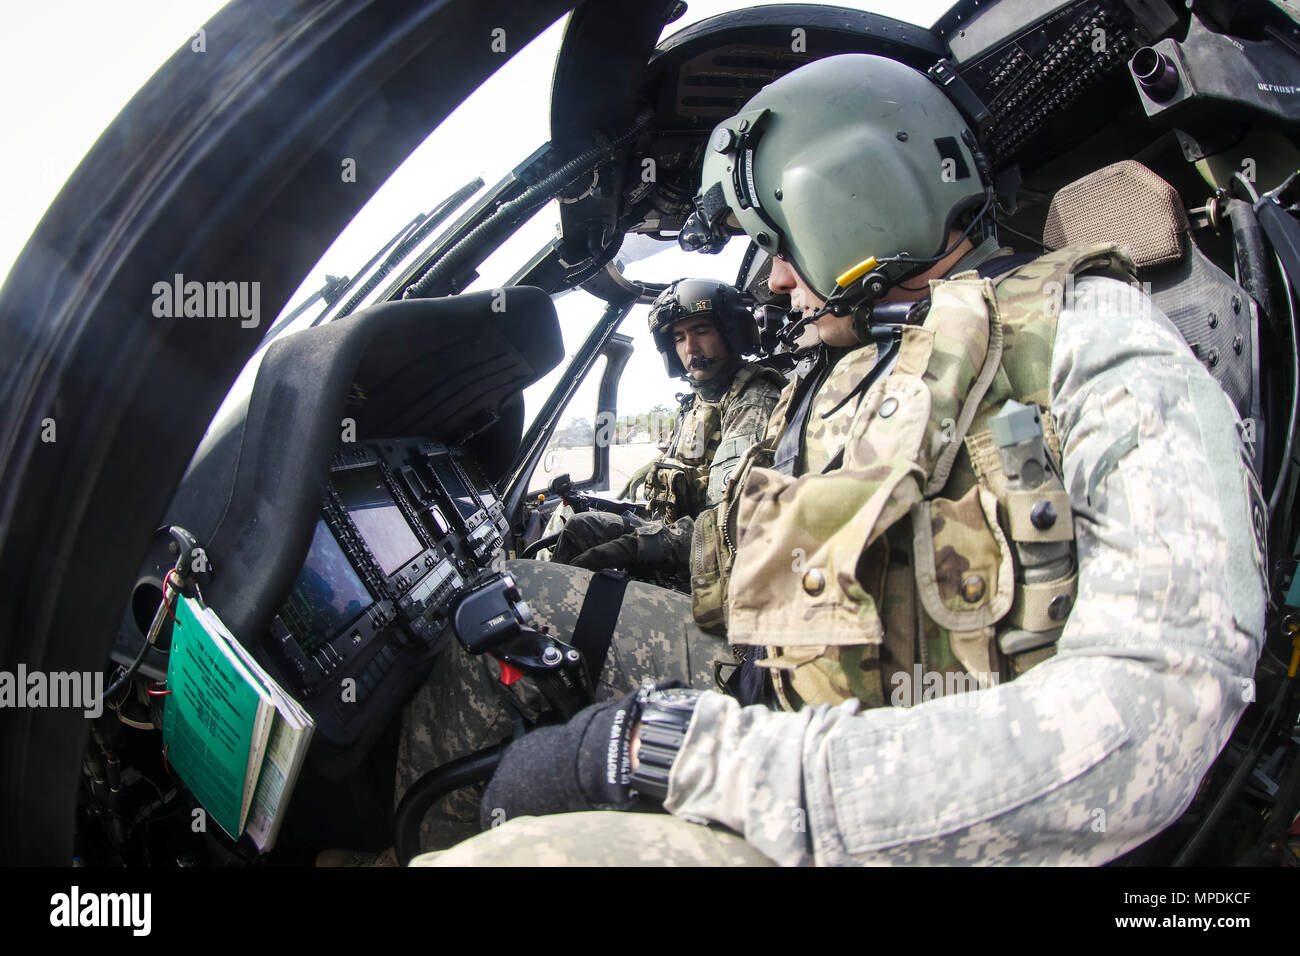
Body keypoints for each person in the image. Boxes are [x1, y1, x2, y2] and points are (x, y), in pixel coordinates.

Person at [417, 52, 1268, 866]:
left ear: (852, 201)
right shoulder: (873, 358)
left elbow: (1161, 711)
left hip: (914, 793)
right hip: (774, 682)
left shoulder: (1096, 338)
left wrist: (699, 758)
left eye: (783, 246)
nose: (779, 281)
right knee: (501, 615)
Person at [547, 279, 785, 578]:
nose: (691, 348)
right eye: (679, 338)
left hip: (713, 563)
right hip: (679, 533)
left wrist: (636, 547)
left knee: (588, 539)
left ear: (730, 332)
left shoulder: (753, 401)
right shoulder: (698, 402)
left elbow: (728, 526)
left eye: (701, 331)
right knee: (578, 525)